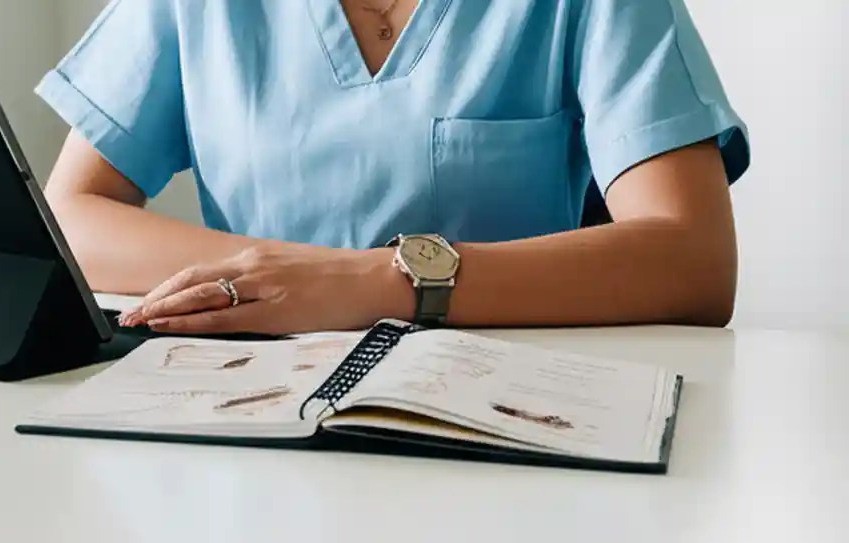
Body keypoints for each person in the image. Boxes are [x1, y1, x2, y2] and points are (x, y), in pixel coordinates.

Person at [36, 0, 750, 336]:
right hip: (252, 418)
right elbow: (71, 217)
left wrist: (369, 283)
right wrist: (277, 280)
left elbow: (692, 258)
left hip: (502, 416)